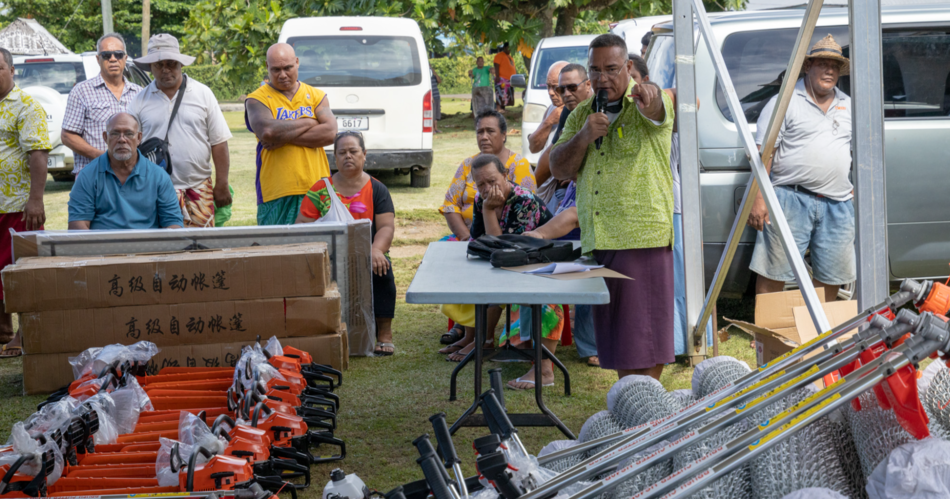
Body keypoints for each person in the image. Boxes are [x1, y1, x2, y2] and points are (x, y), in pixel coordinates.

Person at [550, 34, 675, 381]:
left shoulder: (647, 100)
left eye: (611, 68)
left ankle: (646, 411)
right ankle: (631, 407)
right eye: (595, 70)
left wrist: (649, 95)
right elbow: (559, 167)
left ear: (629, 67)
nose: (603, 78)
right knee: (620, 339)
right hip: (601, 238)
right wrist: (583, 137)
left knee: (645, 337)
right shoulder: (581, 116)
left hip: (641, 236)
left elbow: (658, 109)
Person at [749, 34, 854, 302]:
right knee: (774, 271)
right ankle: (765, 336)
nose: (829, 70)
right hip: (789, 198)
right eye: (822, 63)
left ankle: (820, 335)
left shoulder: (849, 106)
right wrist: (759, 198)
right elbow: (764, 154)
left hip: (838, 204)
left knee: (832, 274)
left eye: (835, 66)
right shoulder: (783, 103)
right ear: (808, 67)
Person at [627, 54, 715, 356]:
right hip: (639, 215)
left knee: (681, 280)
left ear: (645, 81)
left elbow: (692, 99)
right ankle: (669, 343)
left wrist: (652, 97)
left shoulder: (662, 112)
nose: (628, 86)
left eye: (632, 78)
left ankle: (687, 344)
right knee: (655, 286)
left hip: (673, 210)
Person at [457, 154, 563, 389]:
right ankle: (483, 341)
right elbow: (479, 241)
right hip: (512, 265)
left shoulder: (523, 201)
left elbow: (504, 248)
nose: (486, 188)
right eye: (480, 184)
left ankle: (545, 370)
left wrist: (487, 211)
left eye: (492, 181)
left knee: (543, 300)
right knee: (484, 288)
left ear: (505, 175)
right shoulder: (480, 198)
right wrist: (485, 208)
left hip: (543, 265)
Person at [295, 132, 397, 356]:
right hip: (328, 255)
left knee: (383, 270)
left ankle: (384, 334)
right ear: (335, 157)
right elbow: (302, 226)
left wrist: (377, 250)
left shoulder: (377, 189)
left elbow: (386, 227)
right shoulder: (320, 190)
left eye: (353, 151)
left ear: (364, 154)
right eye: (342, 152)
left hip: (367, 254)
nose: (348, 156)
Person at [129, 34, 232, 228]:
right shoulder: (139, 101)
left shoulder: (203, 94)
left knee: (201, 250)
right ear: (151, 67)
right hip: (155, 191)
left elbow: (219, 141)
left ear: (180, 64)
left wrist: (222, 183)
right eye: (159, 65)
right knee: (162, 251)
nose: (165, 70)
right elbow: (131, 147)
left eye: (171, 63)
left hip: (198, 188)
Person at [245, 43, 337, 225]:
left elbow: (330, 133)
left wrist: (283, 136)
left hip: (317, 187)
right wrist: (310, 121)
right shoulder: (256, 99)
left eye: (288, 68)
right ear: (267, 67)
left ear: (297, 62)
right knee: (277, 248)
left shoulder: (316, 96)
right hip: (276, 190)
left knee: (321, 248)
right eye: (276, 69)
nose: (283, 75)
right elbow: (268, 132)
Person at [0, 48, 51, 358]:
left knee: (22, 272)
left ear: (12, 70)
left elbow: (38, 155)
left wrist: (35, 200)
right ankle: (3, 331)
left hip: (18, 206)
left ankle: (24, 332)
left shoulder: (27, 106)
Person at [67, 112, 183, 231]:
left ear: (139, 138)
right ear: (105, 138)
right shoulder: (88, 175)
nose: (122, 139)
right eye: (115, 133)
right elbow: (78, 225)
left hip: (147, 248)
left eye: (129, 134)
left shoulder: (159, 176)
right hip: (103, 247)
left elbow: (173, 223)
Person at [439, 110, 536, 242]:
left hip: (507, 237)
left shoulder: (519, 165)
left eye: (490, 131)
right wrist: (466, 237)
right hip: (468, 237)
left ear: (503, 135)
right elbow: (450, 205)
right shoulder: (468, 165)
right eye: (480, 132)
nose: (484, 137)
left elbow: (522, 208)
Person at [62, 33, 143, 176]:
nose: (113, 59)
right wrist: (103, 157)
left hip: (133, 175)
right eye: (106, 55)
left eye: (118, 54)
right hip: (93, 175)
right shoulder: (81, 91)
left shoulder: (139, 93)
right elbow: (68, 136)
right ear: (98, 59)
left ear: (125, 58)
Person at [535, 63, 592, 213]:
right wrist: (528, 191)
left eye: (572, 88)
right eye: (561, 89)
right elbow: (551, 153)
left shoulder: (600, 108)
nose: (565, 94)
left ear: (588, 85)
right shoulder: (568, 111)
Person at [527, 61, 569, 155]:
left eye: (555, 87)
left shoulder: (580, 110)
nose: (550, 92)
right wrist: (549, 121)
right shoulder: (552, 109)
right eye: (548, 86)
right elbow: (533, 148)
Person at [493, 43, 517, 112]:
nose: (509, 50)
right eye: (508, 48)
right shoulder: (499, 55)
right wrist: (497, 76)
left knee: (506, 95)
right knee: (500, 93)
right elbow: (496, 65)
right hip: (501, 79)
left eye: (510, 48)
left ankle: (503, 109)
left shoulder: (510, 57)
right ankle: (498, 108)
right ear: (504, 48)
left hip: (509, 80)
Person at [431, 68, 442, 133]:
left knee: (437, 113)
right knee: (433, 113)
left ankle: (436, 128)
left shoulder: (434, 77)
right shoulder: (426, 77)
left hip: (437, 96)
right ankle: (432, 128)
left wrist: (434, 72)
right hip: (432, 97)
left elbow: (439, 81)